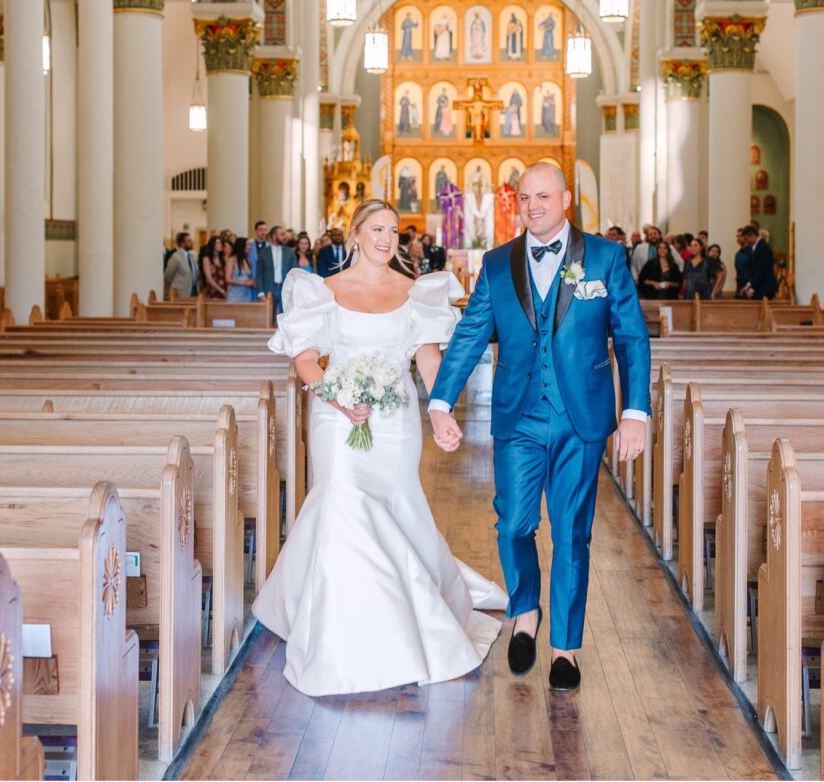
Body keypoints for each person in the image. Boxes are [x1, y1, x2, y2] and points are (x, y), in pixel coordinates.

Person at [255, 200, 507, 696]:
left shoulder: (417, 292)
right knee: (343, 504)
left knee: (397, 507)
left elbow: (429, 360)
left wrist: (442, 412)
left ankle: (400, 621)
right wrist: (338, 398)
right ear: (354, 234)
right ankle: (338, 639)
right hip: (336, 419)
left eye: (393, 230)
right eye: (377, 229)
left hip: (395, 423)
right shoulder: (320, 290)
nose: (387, 238)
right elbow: (306, 362)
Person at [428, 163, 650, 691]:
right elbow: (470, 334)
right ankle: (525, 609)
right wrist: (440, 401)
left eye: (543, 196)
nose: (533, 206)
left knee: (572, 532)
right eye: (525, 197)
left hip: (582, 417)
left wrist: (635, 414)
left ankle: (564, 649)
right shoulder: (497, 263)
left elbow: (631, 338)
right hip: (518, 416)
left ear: (566, 199)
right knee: (512, 524)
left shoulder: (604, 257)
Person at [736, 224, 778, 299]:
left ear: (752, 236)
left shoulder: (763, 247)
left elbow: (761, 270)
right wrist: (748, 285)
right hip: (760, 286)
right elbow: (755, 270)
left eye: (746, 239)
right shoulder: (758, 246)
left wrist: (752, 288)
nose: (747, 241)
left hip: (765, 287)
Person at [163, 231, 198, 299]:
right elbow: (167, 276)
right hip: (180, 292)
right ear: (182, 243)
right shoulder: (176, 257)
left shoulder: (190, 256)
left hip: (193, 291)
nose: (192, 243)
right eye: (189, 241)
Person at [227, 238, 257, 302]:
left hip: (247, 294)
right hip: (235, 294)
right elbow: (228, 279)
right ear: (241, 246)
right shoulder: (232, 259)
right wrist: (244, 283)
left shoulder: (247, 260)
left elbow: (249, 277)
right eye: (247, 245)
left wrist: (252, 283)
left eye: (249, 245)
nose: (249, 247)